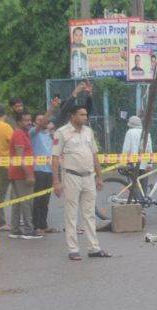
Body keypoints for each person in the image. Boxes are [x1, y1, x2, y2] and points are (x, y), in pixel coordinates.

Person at [52, 104, 109, 261]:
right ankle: (73, 249)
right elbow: (55, 158)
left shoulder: (88, 132)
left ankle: (94, 248)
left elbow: (94, 155)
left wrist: (99, 176)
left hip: (89, 176)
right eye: (82, 115)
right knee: (71, 214)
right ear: (73, 116)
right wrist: (56, 182)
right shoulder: (61, 133)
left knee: (89, 214)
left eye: (86, 115)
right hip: (71, 176)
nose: (85, 117)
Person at [7, 111, 39, 239]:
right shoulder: (19, 134)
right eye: (26, 120)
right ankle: (28, 230)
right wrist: (29, 174)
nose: (29, 122)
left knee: (17, 202)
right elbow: (21, 157)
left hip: (15, 173)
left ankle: (15, 229)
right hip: (21, 174)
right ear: (19, 122)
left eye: (29, 120)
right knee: (26, 202)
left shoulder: (21, 133)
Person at [31, 115, 56, 234]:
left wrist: (52, 133)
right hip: (38, 169)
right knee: (38, 199)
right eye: (39, 120)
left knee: (45, 200)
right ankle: (36, 226)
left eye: (44, 120)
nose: (42, 122)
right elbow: (40, 126)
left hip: (49, 170)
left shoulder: (49, 134)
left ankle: (44, 224)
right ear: (35, 123)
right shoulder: (34, 133)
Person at [120, 115, 152, 196]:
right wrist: (150, 164)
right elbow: (149, 149)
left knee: (134, 185)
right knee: (143, 185)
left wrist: (123, 163)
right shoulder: (146, 133)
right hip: (144, 163)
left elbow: (126, 149)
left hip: (132, 164)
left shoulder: (130, 132)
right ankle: (142, 202)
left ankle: (136, 202)